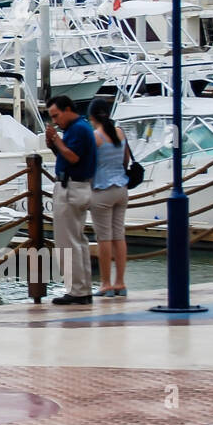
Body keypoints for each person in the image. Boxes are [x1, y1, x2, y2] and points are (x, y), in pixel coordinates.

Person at [45, 94, 97, 305]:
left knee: (68, 242)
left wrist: (56, 140)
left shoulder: (77, 129)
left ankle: (76, 290)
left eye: (56, 116)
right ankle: (82, 288)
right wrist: (54, 144)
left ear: (68, 109)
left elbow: (73, 157)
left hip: (71, 188)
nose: (55, 121)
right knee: (78, 240)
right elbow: (68, 156)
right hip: (79, 185)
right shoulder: (80, 127)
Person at [88, 99, 130, 298]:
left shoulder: (95, 136)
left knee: (103, 238)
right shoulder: (120, 132)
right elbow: (126, 160)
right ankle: (120, 282)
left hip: (101, 189)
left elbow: (89, 165)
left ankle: (106, 284)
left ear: (92, 117)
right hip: (121, 188)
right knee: (118, 236)